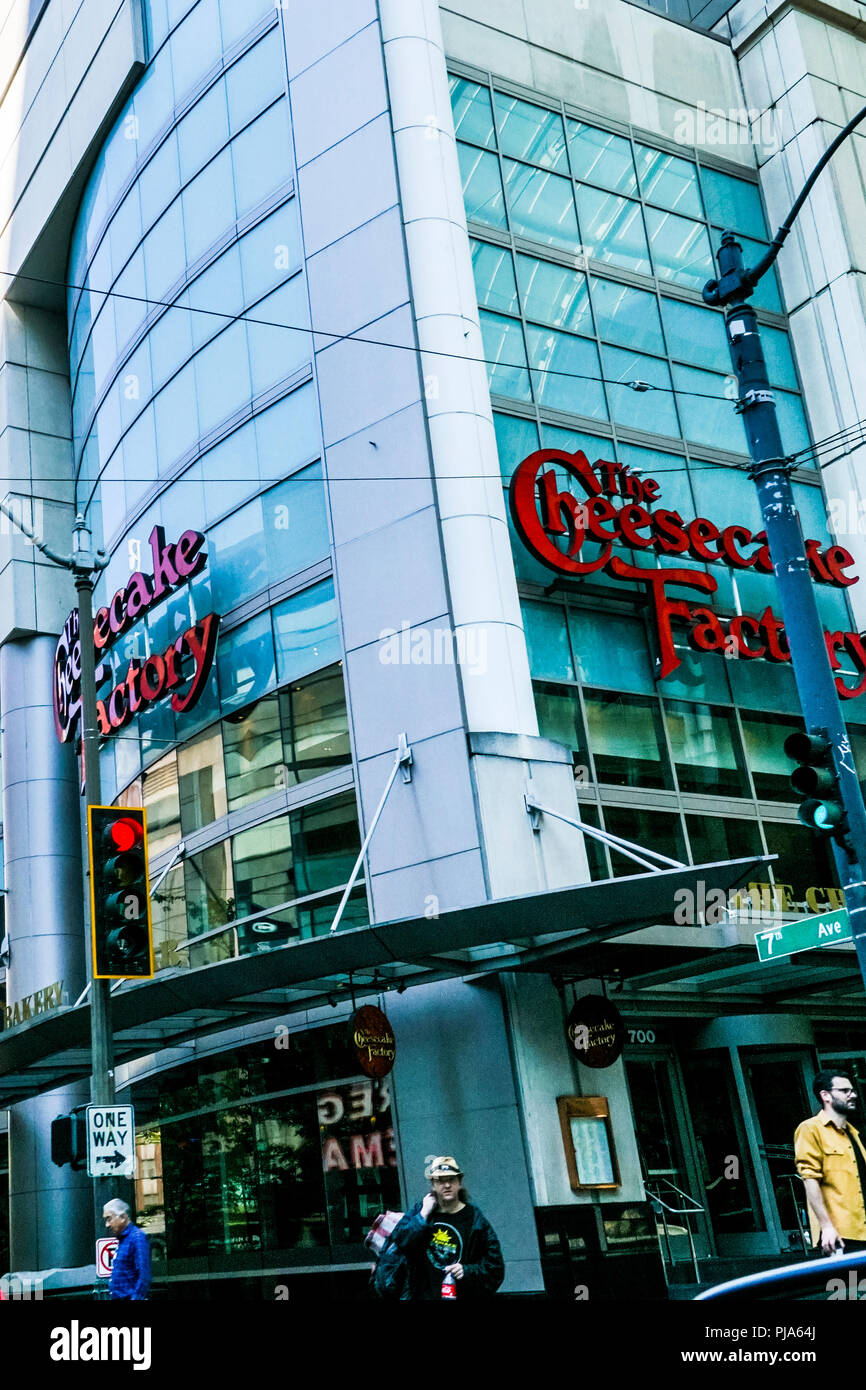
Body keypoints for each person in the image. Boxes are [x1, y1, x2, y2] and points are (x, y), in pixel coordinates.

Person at [381, 1156, 504, 1300]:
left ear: (459, 1182)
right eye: (440, 1180)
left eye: (451, 1179)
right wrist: (422, 1216)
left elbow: (495, 1269)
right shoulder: (420, 1212)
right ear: (433, 1185)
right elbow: (400, 1241)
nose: (446, 1185)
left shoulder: (476, 1221)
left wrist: (468, 1271)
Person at [794, 1071, 866, 1255]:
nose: (853, 1095)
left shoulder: (854, 1134)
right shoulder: (810, 1129)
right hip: (841, 1236)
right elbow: (809, 1179)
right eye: (845, 1091)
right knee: (848, 1283)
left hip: (862, 1231)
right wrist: (826, 1227)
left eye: (852, 1090)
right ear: (825, 1095)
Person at [103, 1198, 151, 1300]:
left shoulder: (137, 1237)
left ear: (122, 1217)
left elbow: (144, 1276)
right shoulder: (124, 1240)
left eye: (109, 1218)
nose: (107, 1224)